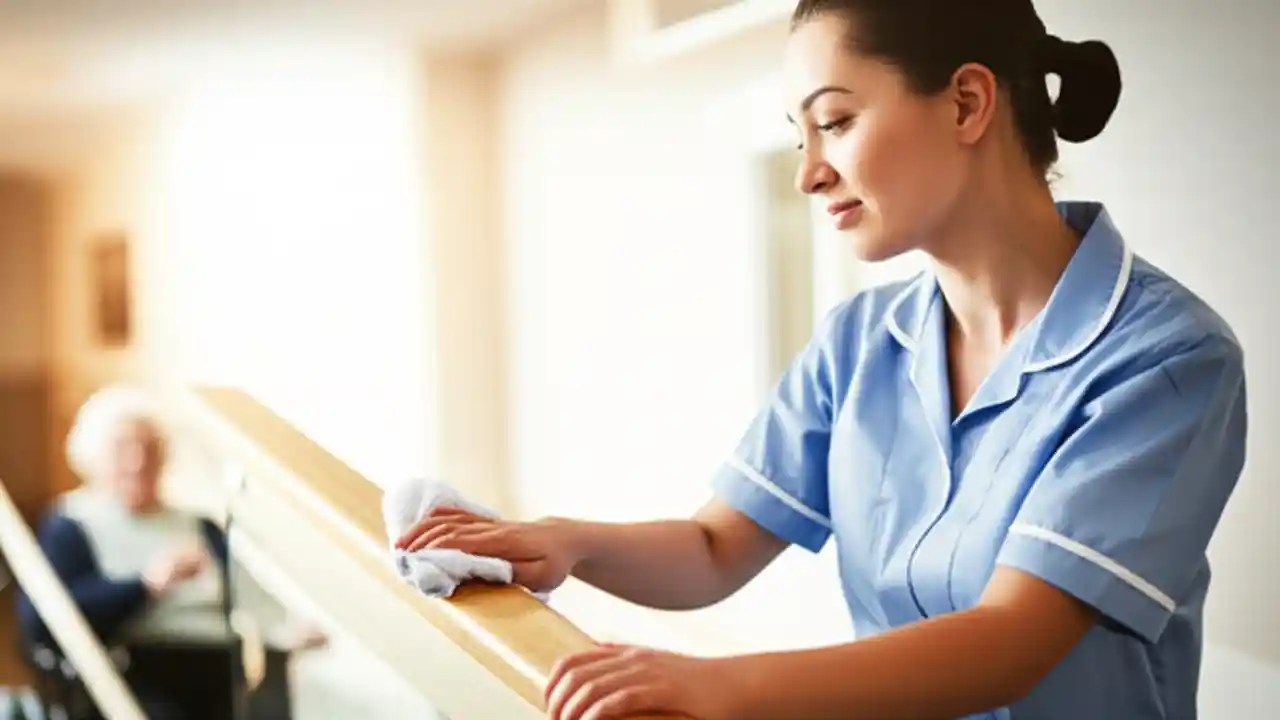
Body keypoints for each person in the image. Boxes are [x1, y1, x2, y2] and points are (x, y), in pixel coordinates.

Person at [396, 1, 1247, 719]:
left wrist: (713, 684)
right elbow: (713, 546)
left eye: (834, 122)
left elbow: (1010, 641)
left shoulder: (1166, 360)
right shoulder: (860, 342)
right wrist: (564, 542)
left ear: (966, 104)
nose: (807, 173)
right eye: (798, 135)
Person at [16, 388, 315, 719]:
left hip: (220, 669)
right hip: (136, 674)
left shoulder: (199, 524)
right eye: (123, 448)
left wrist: (295, 625)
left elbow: (256, 596)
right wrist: (146, 585)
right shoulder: (70, 525)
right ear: (94, 456)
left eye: (149, 448)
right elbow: (46, 620)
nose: (138, 461)